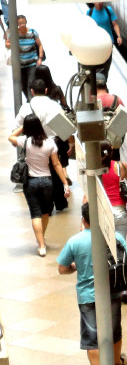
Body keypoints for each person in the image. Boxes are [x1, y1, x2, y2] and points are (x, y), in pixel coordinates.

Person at [57, 202, 127, 365]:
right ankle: (116, 364)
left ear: (84, 220)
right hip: (111, 293)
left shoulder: (75, 241)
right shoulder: (114, 237)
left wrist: (76, 267)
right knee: (114, 331)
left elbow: (62, 268)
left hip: (87, 297)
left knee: (92, 338)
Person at [8, 115, 71, 256]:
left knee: (35, 214)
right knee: (45, 213)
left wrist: (22, 127)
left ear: (27, 128)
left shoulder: (25, 141)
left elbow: (10, 137)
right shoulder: (50, 143)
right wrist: (65, 183)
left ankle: (41, 246)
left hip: (30, 182)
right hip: (47, 182)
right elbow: (56, 164)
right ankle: (42, 237)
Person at [12, 78, 73, 211]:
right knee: (56, 170)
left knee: (39, 173)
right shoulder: (54, 106)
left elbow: (16, 126)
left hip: (34, 144)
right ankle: (60, 203)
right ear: (46, 90)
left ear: (32, 91)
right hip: (53, 143)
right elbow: (64, 127)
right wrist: (71, 143)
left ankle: (46, 206)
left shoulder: (26, 108)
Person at [91, 141, 127, 301]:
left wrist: (84, 221)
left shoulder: (94, 169)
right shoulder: (121, 166)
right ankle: (124, 287)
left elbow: (88, 196)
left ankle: (108, 283)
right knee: (121, 249)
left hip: (104, 214)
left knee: (104, 250)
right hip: (120, 213)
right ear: (111, 151)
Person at [4, 14, 45, 100]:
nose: (22, 25)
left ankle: (31, 101)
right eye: (19, 23)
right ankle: (29, 99)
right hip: (20, 64)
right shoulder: (14, 33)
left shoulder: (32, 32)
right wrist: (13, 44)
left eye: (23, 23)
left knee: (30, 83)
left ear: (26, 22)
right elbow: (7, 44)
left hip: (32, 63)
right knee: (22, 85)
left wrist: (40, 58)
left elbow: (40, 45)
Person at [88, 1, 121, 80]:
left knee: (106, 65)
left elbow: (115, 24)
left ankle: (103, 81)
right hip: (95, 44)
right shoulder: (90, 12)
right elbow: (87, 27)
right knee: (97, 65)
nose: (100, 3)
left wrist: (119, 36)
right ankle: (98, 81)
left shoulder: (108, 10)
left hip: (108, 43)